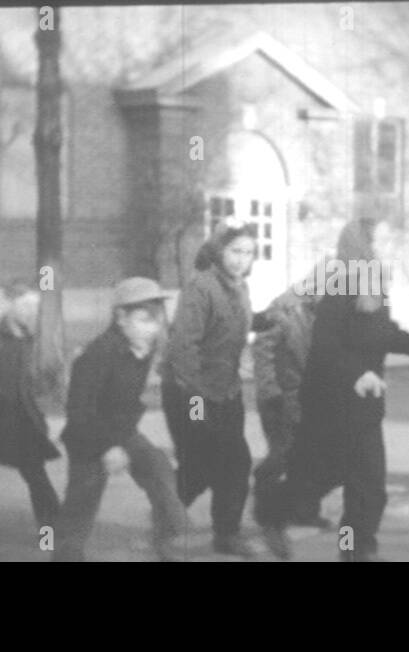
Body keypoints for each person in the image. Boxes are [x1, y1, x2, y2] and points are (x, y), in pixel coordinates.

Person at [255, 219, 409, 562]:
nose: (390, 248)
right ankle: (270, 510)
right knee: (315, 480)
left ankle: (354, 551)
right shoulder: (341, 284)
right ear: (363, 246)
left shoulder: (374, 283)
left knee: (369, 487)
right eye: (383, 241)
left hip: (364, 406)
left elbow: (382, 333)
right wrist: (357, 374)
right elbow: (325, 345)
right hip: (330, 403)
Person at [52, 277, 190, 562]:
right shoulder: (97, 355)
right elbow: (79, 412)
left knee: (159, 469)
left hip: (122, 431)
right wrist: (108, 448)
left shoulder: (142, 347)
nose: (152, 329)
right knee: (82, 504)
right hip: (88, 439)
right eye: (144, 320)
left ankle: (164, 539)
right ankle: (66, 556)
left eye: (156, 321)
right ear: (120, 318)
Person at [161, 219, 265, 559]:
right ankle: (164, 525)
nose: (241, 259)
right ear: (219, 250)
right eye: (235, 251)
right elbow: (183, 347)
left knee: (232, 461)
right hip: (191, 392)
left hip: (227, 391)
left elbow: (242, 322)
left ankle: (226, 533)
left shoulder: (239, 288)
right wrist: (196, 402)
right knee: (203, 462)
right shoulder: (201, 288)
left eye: (248, 253)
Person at [0, 280, 60, 545]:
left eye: (35, 306)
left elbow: (46, 378)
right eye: (24, 305)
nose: (30, 311)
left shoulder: (34, 337)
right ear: (11, 304)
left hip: (21, 421)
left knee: (36, 476)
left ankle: (52, 532)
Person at [250, 274, 330, 529]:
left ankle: (303, 511)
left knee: (314, 456)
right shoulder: (285, 310)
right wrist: (270, 391)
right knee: (283, 453)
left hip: (311, 398)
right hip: (280, 397)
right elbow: (263, 351)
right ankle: (266, 504)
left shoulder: (331, 317)